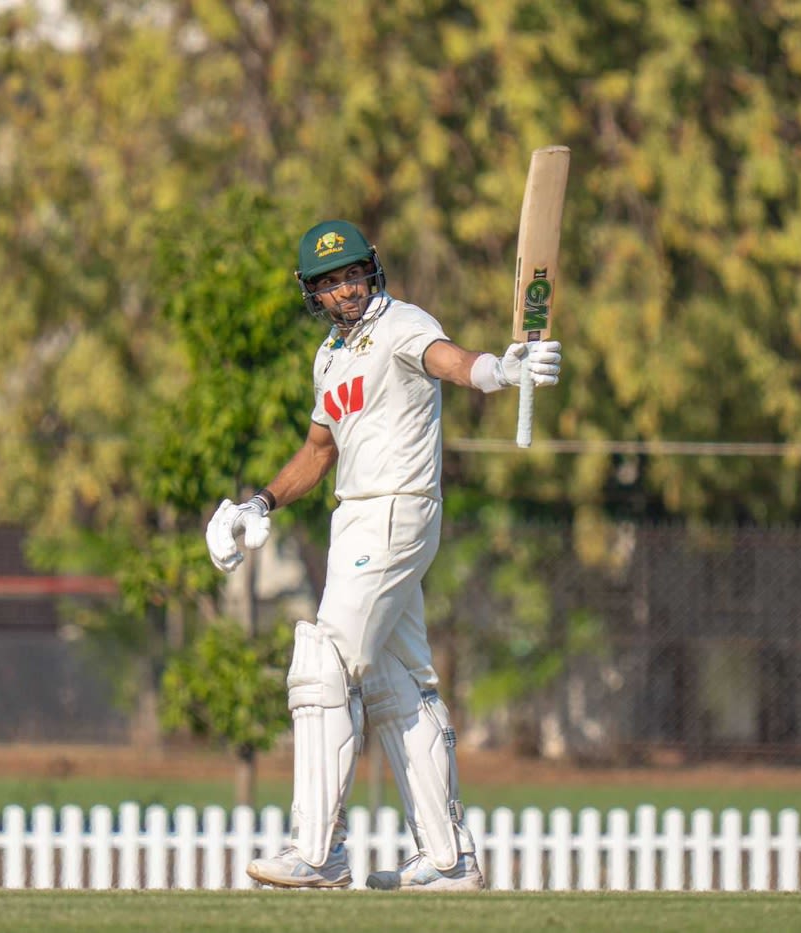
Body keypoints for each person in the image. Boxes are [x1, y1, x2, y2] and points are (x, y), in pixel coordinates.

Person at [205, 219, 562, 891]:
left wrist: (501, 371)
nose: (345, 289)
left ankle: (318, 849)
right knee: (401, 685)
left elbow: (452, 362)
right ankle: (449, 858)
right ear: (312, 293)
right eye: (330, 282)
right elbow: (317, 451)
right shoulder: (329, 358)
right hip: (354, 520)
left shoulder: (402, 324)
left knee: (323, 660)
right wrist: (260, 504)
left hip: (397, 508)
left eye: (352, 274)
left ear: (372, 269)